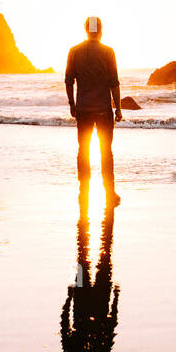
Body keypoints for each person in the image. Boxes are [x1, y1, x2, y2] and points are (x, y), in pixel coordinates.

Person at [64, 16, 121, 212]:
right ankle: (110, 193)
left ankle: (83, 191)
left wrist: (72, 104)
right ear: (101, 30)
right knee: (106, 152)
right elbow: (114, 82)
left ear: (86, 30)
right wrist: (118, 108)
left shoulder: (74, 52)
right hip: (103, 111)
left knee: (84, 150)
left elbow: (68, 81)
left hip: (83, 110)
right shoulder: (108, 52)